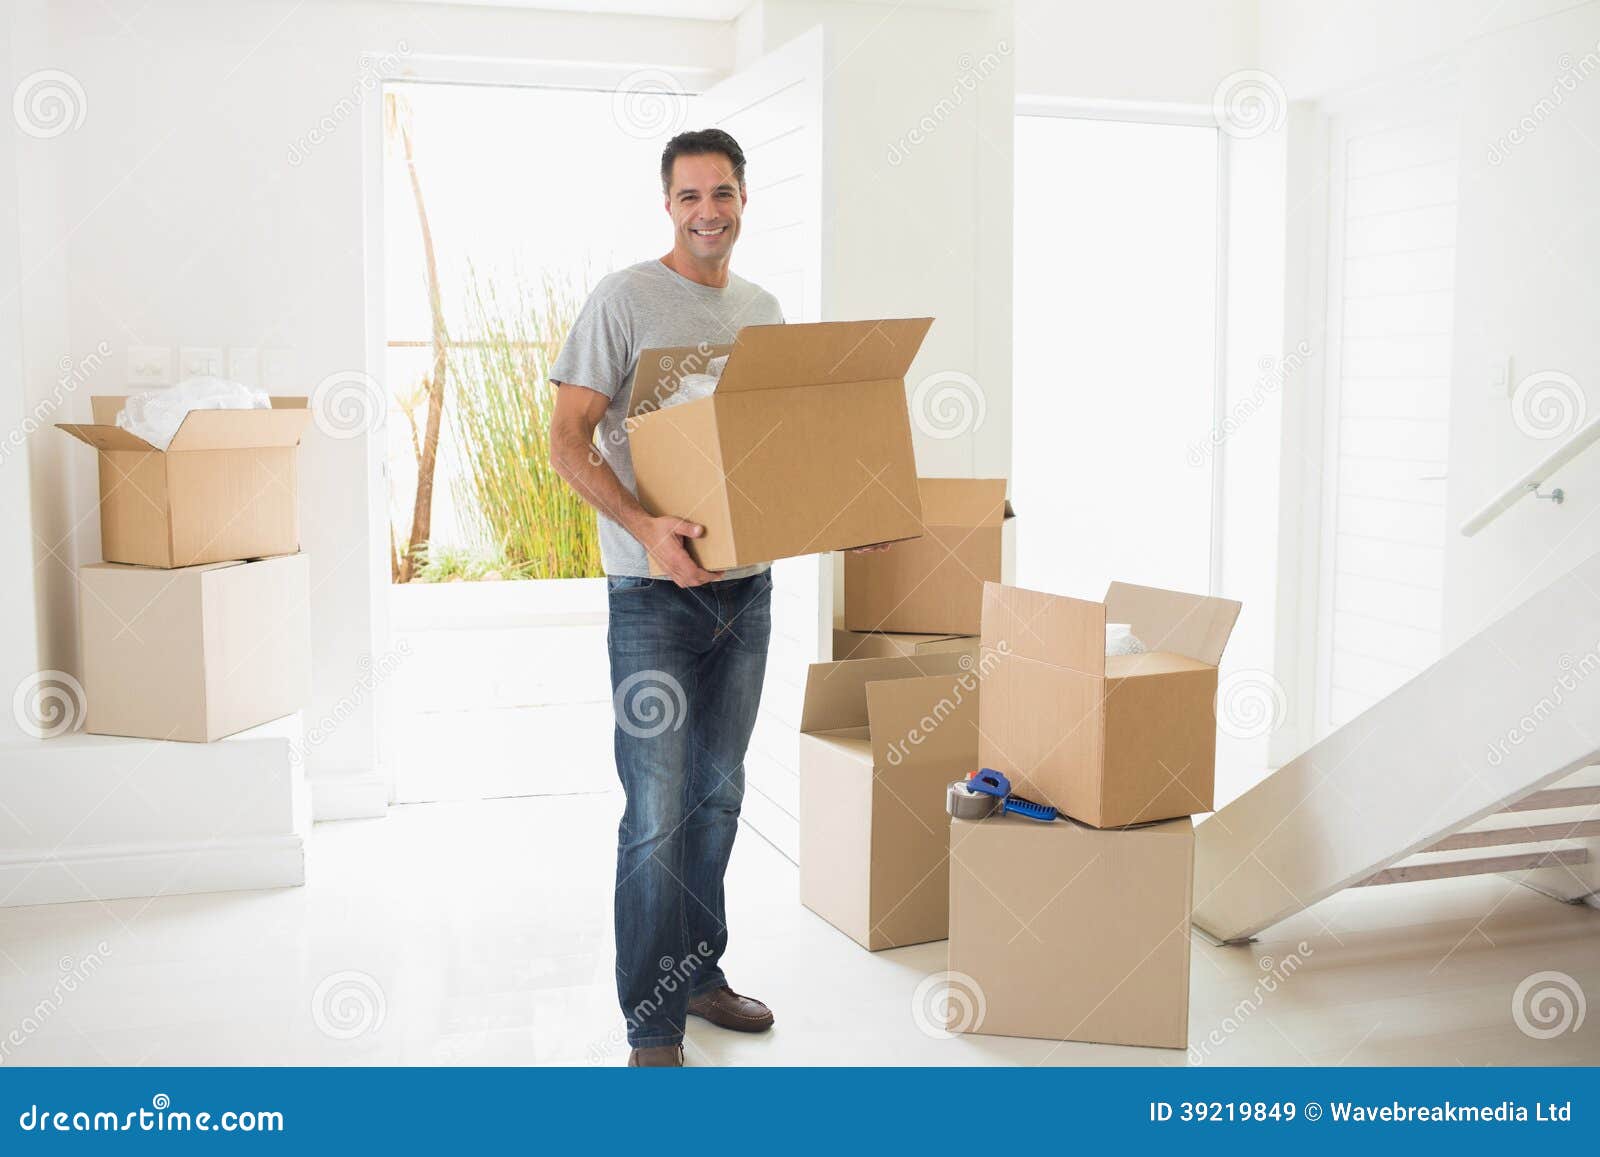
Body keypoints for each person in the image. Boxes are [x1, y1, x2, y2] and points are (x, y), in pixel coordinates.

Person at [550, 128, 894, 1067]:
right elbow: (567, 440)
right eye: (691, 195)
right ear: (667, 204)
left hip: (746, 593)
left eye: (724, 193)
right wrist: (646, 529)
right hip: (651, 594)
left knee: (718, 794)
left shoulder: (761, 310)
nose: (708, 211)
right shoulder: (624, 299)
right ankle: (651, 1025)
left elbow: (777, 452)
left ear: (744, 199)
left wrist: (846, 515)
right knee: (656, 807)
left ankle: (699, 974)